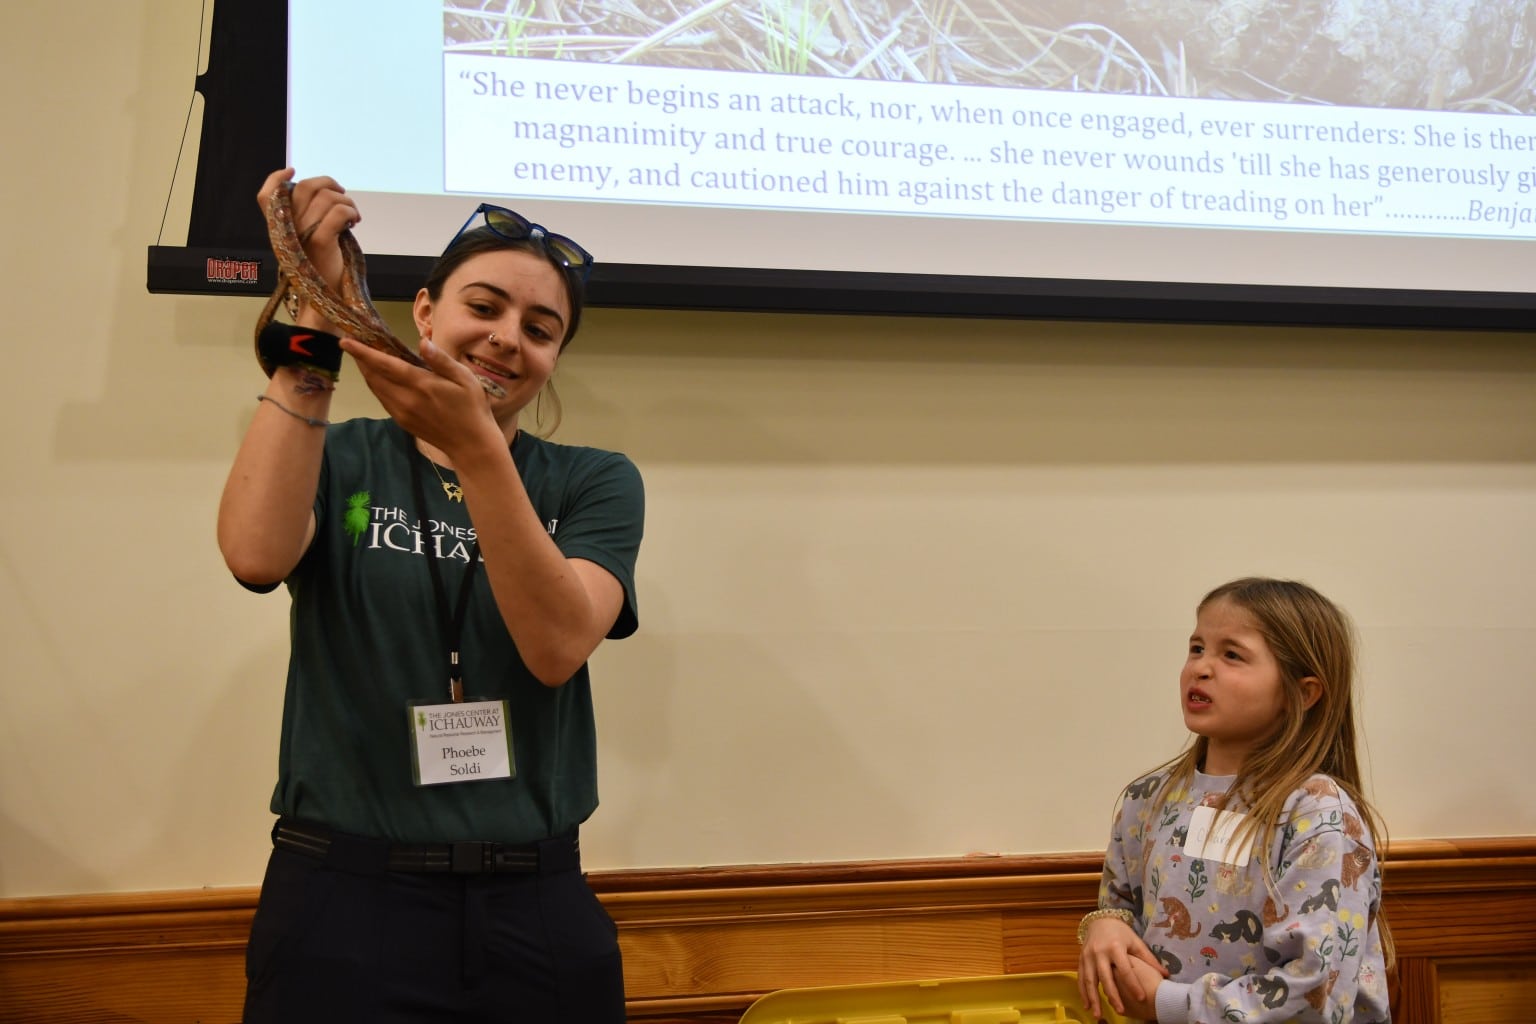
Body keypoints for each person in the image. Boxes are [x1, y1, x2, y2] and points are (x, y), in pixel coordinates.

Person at [219, 168, 644, 1023]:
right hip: (344, 893)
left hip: (534, 898)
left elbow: (557, 647)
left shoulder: (591, 482)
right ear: (424, 312)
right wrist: (316, 308)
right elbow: (255, 556)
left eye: (540, 328)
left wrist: (477, 448)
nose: (504, 339)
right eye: (481, 308)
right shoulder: (340, 457)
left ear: (556, 357)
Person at [1076, 577, 1392, 1023]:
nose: (1201, 668)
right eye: (1197, 648)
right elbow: (1119, 907)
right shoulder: (1146, 798)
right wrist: (1104, 924)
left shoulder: (1317, 812)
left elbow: (1313, 988)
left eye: (1232, 655)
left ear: (1301, 694)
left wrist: (1169, 1004)